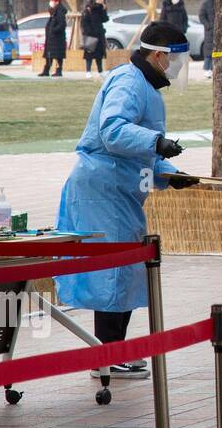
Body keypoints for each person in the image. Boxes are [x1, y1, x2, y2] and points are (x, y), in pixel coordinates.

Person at [54, 21, 194, 378]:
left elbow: (142, 151)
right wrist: (156, 143)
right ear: (160, 55)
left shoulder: (146, 86)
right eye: (175, 60)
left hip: (121, 190)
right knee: (113, 271)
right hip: (103, 189)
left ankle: (116, 348)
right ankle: (108, 353)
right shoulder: (129, 81)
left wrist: (166, 171)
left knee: (127, 270)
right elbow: (113, 130)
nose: (178, 69)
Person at [80, 0, 109, 78]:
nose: (100, 3)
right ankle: (88, 71)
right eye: (99, 1)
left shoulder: (101, 10)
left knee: (99, 54)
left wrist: (103, 10)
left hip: (99, 35)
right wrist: (88, 32)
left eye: (102, 2)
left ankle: (100, 71)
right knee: (89, 55)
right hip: (90, 35)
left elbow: (105, 19)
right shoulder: (88, 9)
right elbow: (84, 22)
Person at [39, 0, 67, 77]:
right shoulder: (54, 11)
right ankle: (46, 70)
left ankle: (59, 71)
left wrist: (53, 30)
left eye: (52, 1)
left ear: (57, 2)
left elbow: (62, 24)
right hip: (51, 39)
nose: (51, 2)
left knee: (58, 56)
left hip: (57, 39)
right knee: (49, 55)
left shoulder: (60, 12)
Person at [198, 0, 216, 78]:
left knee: (215, 51)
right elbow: (201, 16)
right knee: (208, 51)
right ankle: (206, 69)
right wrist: (208, 25)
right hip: (209, 31)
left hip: (218, 31)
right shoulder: (206, 3)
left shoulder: (220, 2)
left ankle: (213, 69)